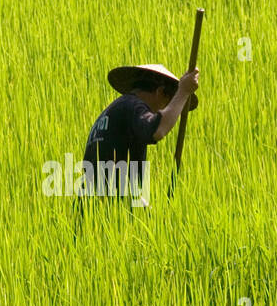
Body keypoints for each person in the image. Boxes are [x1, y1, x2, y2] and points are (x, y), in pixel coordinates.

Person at [80, 63, 200, 205]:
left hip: (92, 207)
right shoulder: (133, 106)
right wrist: (183, 92)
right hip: (106, 210)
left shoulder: (116, 110)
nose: (162, 109)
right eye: (168, 103)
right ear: (160, 92)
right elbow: (157, 130)